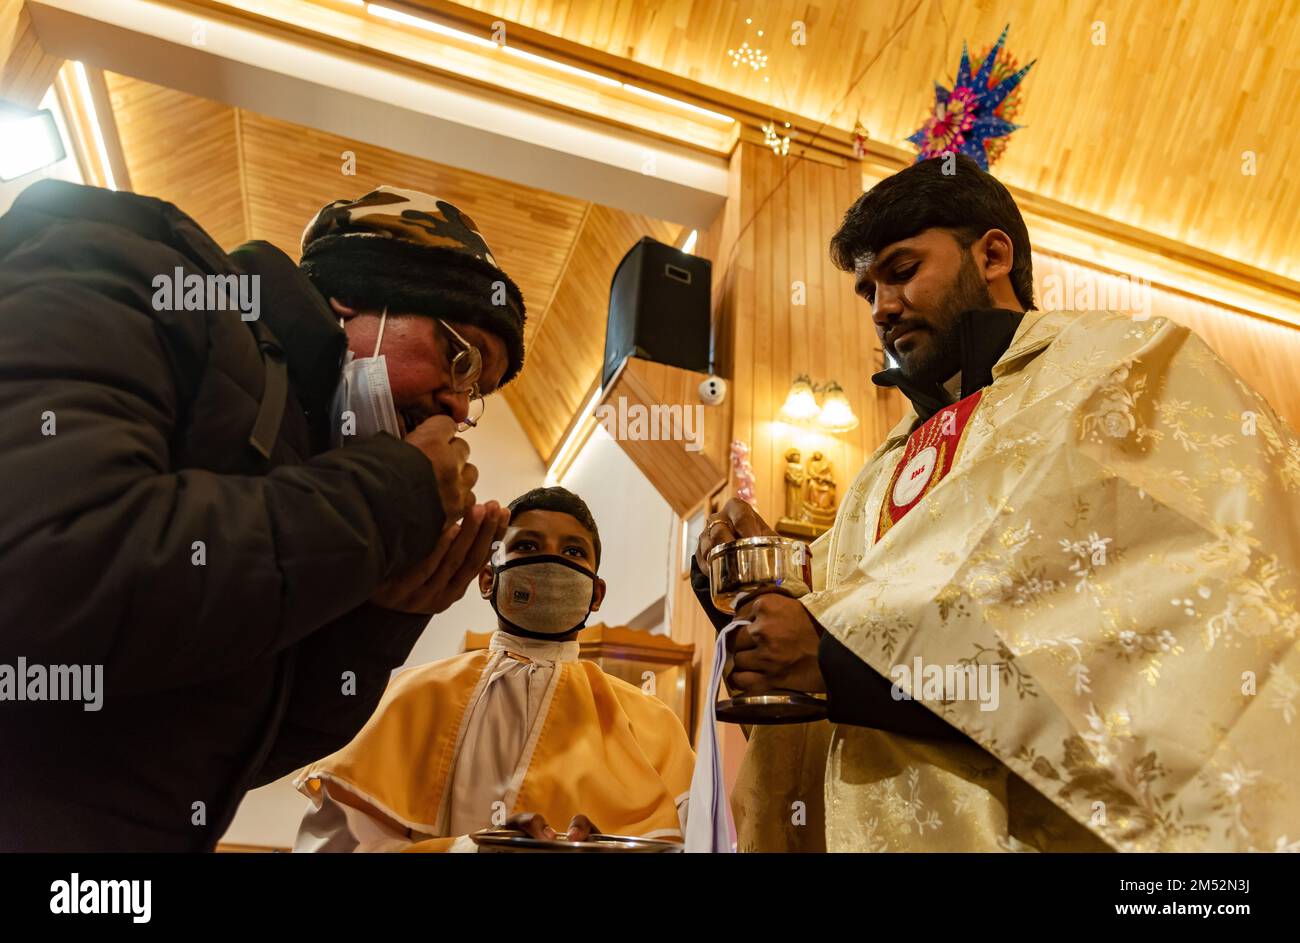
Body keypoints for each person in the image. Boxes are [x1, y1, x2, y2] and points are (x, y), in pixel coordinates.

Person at [693, 154, 1300, 852]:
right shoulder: (885, 463)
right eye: (867, 292)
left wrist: (836, 657)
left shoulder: (1117, 368)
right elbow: (829, 609)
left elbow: (1153, 602)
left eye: (901, 270)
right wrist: (736, 576)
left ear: (992, 254)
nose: (882, 308)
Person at [0, 183, 521, 850]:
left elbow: (238, 742)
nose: (457, 405)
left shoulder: (304, 450)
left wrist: (374, 619)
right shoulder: (126, 270)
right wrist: (389, 497)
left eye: (477, 390)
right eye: (460, 355)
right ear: (354, 299)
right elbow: (54, 568)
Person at [294, 486, 695, 852]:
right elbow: (336, 844)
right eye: (527, 545)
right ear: (488, 580)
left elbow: (697, 841)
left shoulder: (651, 723)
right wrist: (470, 850)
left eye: (573, 552)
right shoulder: (413, 694)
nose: (551, 559)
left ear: (596, 593)